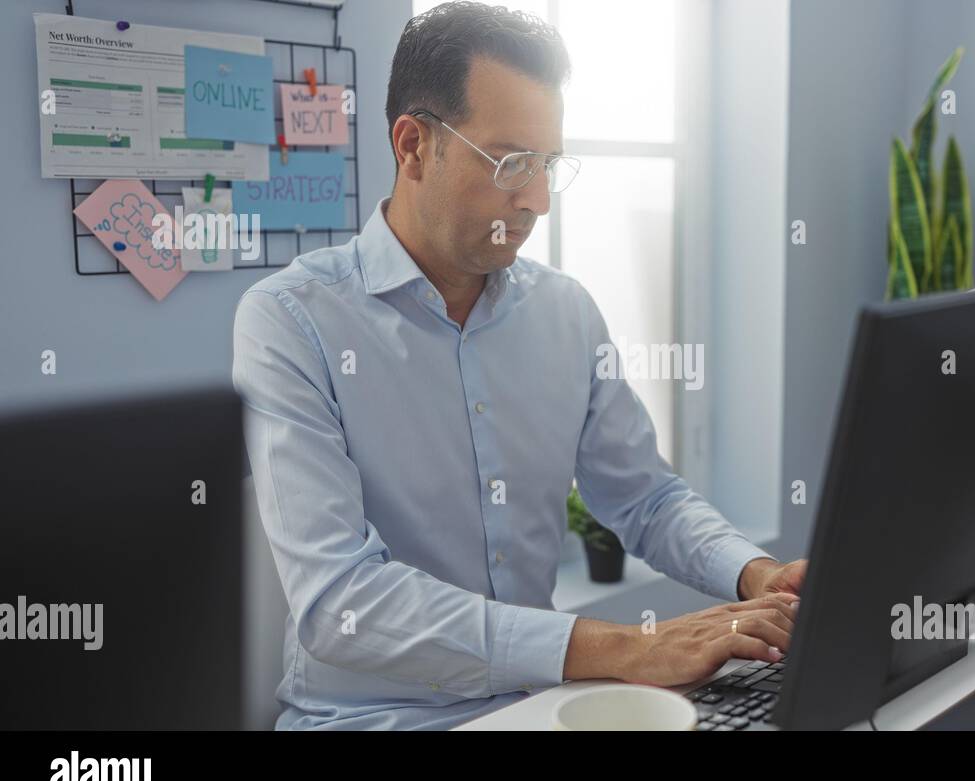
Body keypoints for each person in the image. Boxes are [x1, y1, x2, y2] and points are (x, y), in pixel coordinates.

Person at [232, 0, 806, 730]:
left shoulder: (564, 312)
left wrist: (757, 574)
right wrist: (629, 647)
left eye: (547, 164)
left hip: (542, 711)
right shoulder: (291, 320)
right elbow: (341, 600)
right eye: (509, 163)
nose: (536, 199)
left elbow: (644, 498)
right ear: (413, 146)